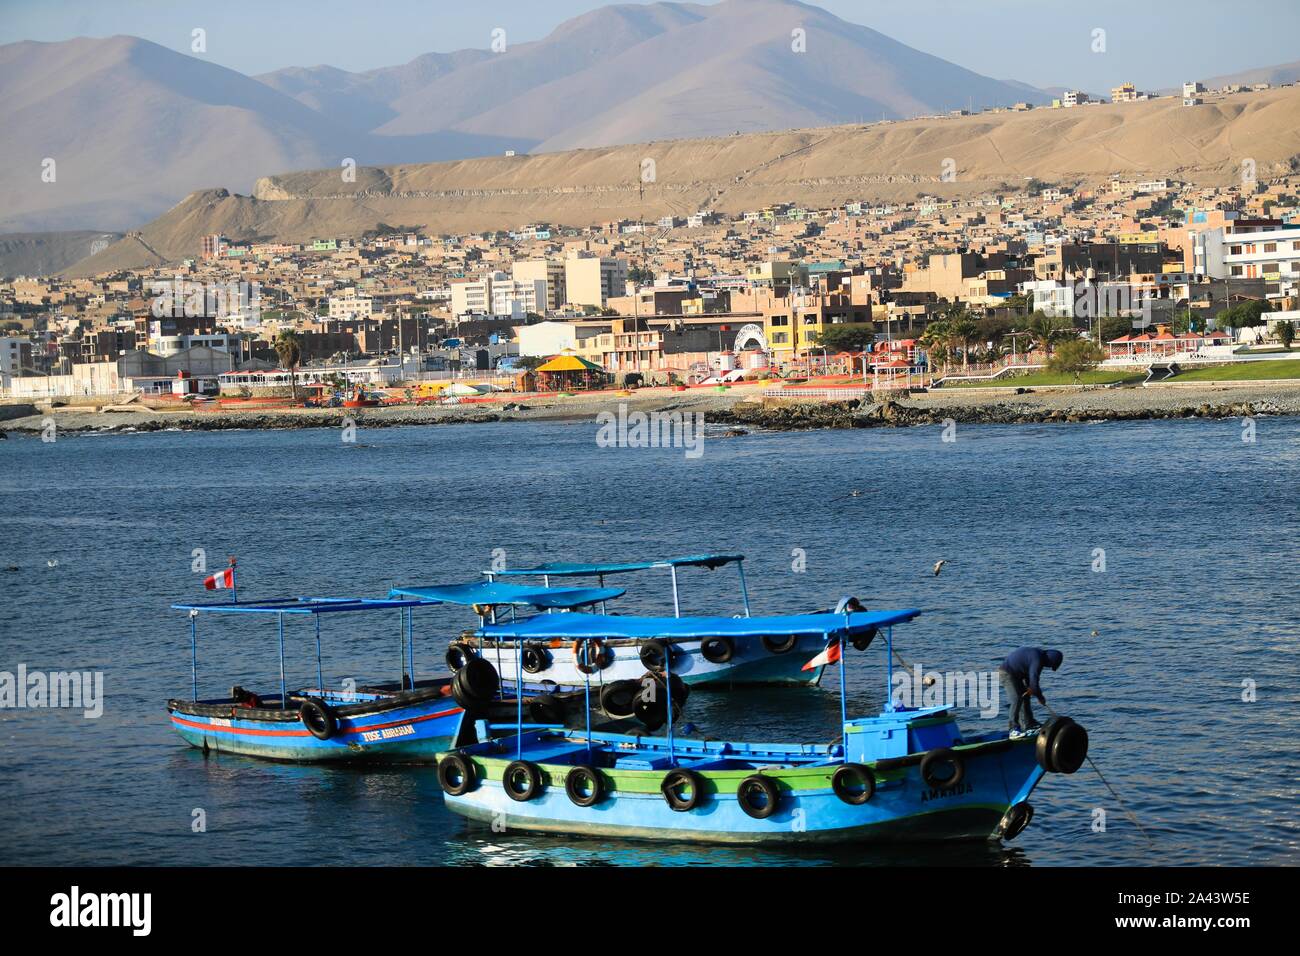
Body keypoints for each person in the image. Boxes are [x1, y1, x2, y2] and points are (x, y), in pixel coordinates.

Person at [998, 647, 1063, 736]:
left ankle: (1028, 725)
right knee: (1017, 699)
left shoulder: (1038, 656)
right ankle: (1013, 728)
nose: (1048, 667)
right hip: (1007, 673)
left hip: (1017, 675)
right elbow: (1034, 682)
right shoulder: (1038, 659)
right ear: (1050, 661)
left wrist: (1031, 688)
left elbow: (1031, 679)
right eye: (1051, 665)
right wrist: (1040, 697)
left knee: (1025, 697)